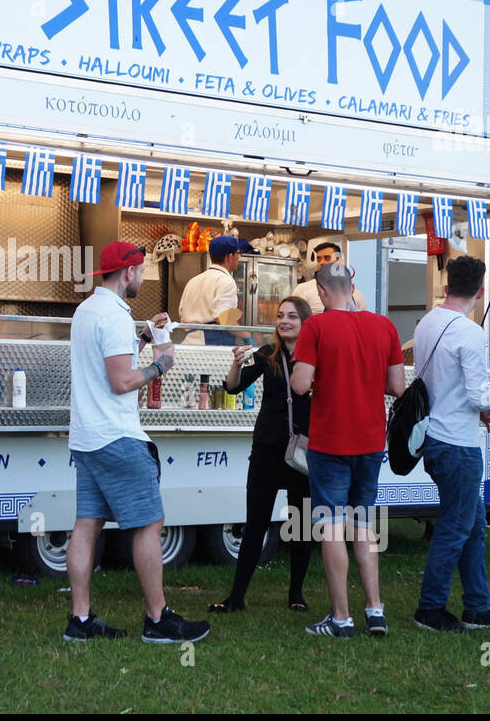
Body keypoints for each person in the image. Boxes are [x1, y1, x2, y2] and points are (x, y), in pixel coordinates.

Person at [63, 241, 210, 643]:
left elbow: (109, 360)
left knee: (86, 525)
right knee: (148, 523)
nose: (142, 278)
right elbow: (121, 380)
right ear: (127, 273)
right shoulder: (113, 316)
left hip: (87, 438)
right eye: (141, 271)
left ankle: (80, 619)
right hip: (118, 436)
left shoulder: (86, 311)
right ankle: (158, 619)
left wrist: (143, 336)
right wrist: (160, 364)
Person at [412, 256, 490, 633]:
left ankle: (478, 605)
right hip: (458, 443)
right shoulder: (470, 333)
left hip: (435, 436)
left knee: (472, 525)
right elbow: (480, 396)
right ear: (480, 292)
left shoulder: (428, 322)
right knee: (456, 527)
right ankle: (430, 608)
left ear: (446, 286)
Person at [291, 263, 405, 638]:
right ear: (351, 287)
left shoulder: (317, 327)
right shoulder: (384, 326)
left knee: (331, 527)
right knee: (363, 525)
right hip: (371, 441)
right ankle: (375, 609)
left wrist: (320, 379)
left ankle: (341, 618)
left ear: (322, 292)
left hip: (329, 443)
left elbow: (299, 384)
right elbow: (397, 387)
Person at [209, 296, 315, 615]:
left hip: (303, 451)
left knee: (302, 524)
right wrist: (236, 363)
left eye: (292, 316)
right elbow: (233, 388)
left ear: (305, 321)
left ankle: (296, 593)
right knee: (256, 523)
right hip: (267, 448)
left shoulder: (316, 357)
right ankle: (236, 596)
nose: (284, 321)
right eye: (281, 316)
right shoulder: (267, 354)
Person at [178, 234, 243, 345]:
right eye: (238, 253)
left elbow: (181, 314)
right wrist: (246, 334)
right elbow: (223, 319)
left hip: (188, 343)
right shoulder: (227, 281)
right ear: (230, 257)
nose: (239, 257)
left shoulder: (193, 280)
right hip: (211, 346)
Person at [292, 242, 368, 314]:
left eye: (327, 258)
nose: (321, 262)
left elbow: (363, 321)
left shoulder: (356, 295)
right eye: (318, 259)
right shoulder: (303, 290)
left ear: (338, 260)